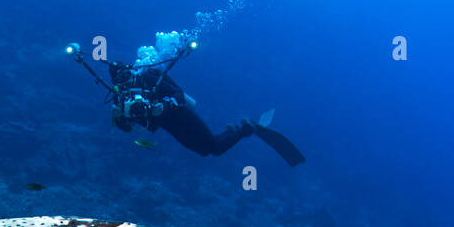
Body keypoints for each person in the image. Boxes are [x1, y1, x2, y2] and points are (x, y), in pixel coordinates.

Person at [69, 42, 305, 166]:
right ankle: (239, 129)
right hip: (168, 126)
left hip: (180, 116)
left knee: (214, 147)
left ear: (131, 70)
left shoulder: (150, 77)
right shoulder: (119, 96)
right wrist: (119, 116)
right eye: (117, 79)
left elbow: (180, 95)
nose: (122, 81)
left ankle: (246, 128)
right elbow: (126, 129)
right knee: (205, 152)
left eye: (124, 75)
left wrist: (165, 105)